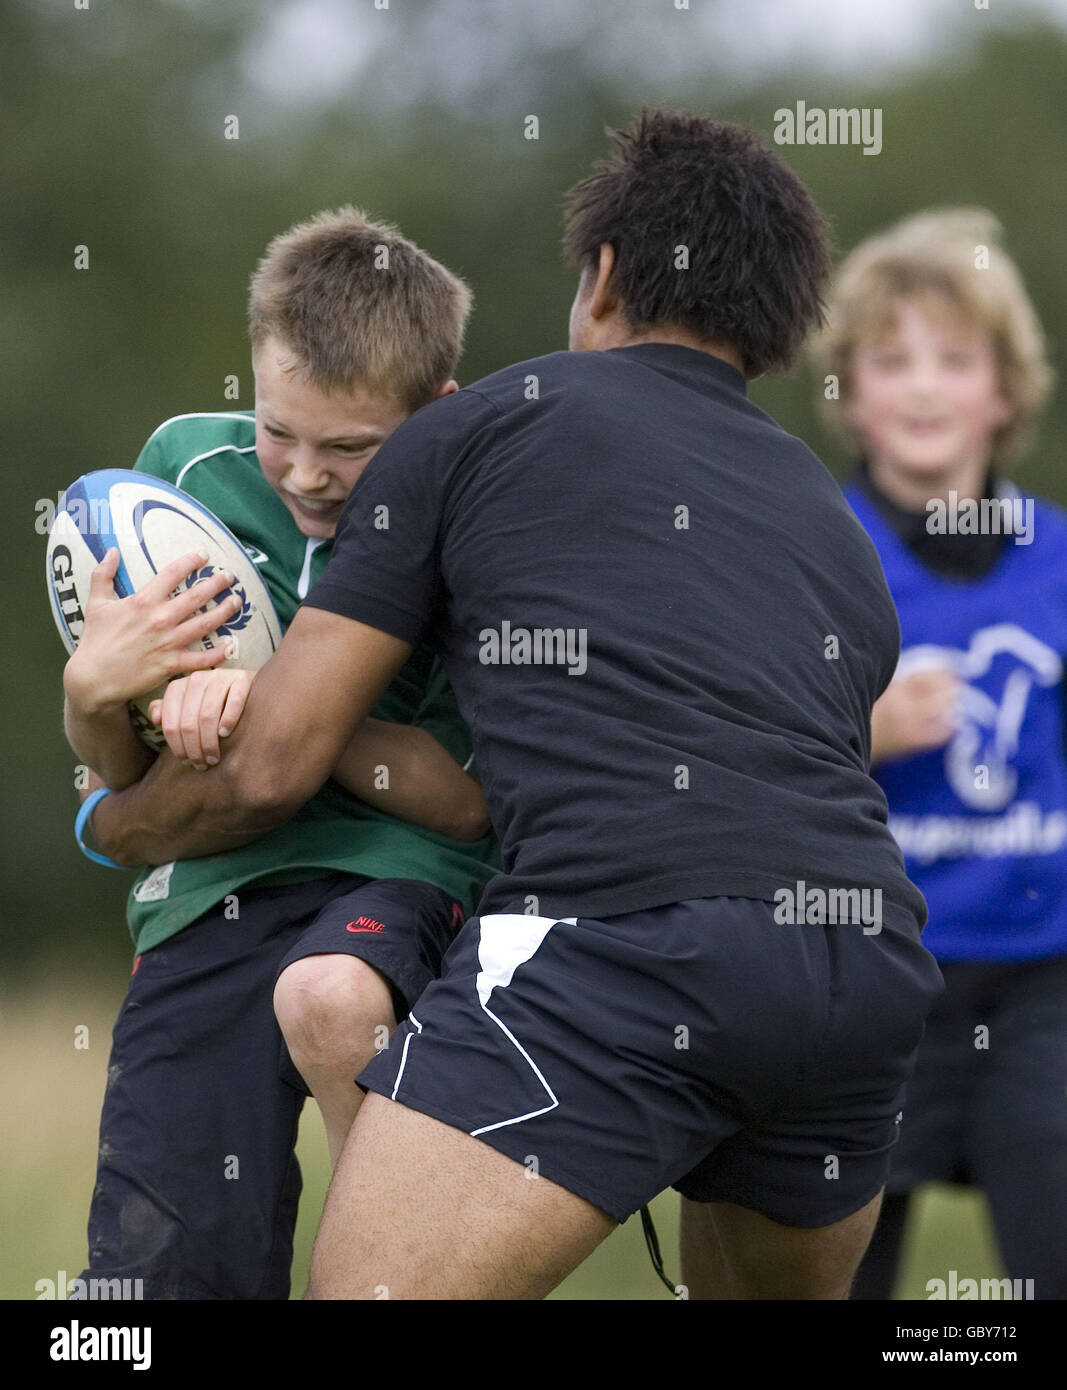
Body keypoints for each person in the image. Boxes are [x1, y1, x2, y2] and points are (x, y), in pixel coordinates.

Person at [93, 110, 944, 1301]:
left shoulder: (476, 426)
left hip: (624, 937)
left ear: (602, 276)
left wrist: (118, 821)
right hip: (865, 964)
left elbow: (275, 762)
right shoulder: (829, 522)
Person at [64, 207, 499, 1299]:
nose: (305, 474)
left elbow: (464, 805)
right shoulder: (180, 472)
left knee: (332, 996)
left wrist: (281, 697)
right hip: (207, 885)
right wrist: (92, 694)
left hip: (394, 876)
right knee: (149, 1276)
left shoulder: (480, 526)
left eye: (350, 446)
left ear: (436, 408)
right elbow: (119, 777)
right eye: (278, 432)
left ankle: (394, 1273)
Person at [815, 208, 1067, 1300]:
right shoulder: (812, 554)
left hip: (1038, 975)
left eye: (954, 361)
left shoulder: (1056, 556)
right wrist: (859, 730)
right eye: (890, 360)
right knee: (828, 1275)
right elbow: (724, 760)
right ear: (848, 390)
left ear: (1003, 391)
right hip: (861, 975)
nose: (922, 388)